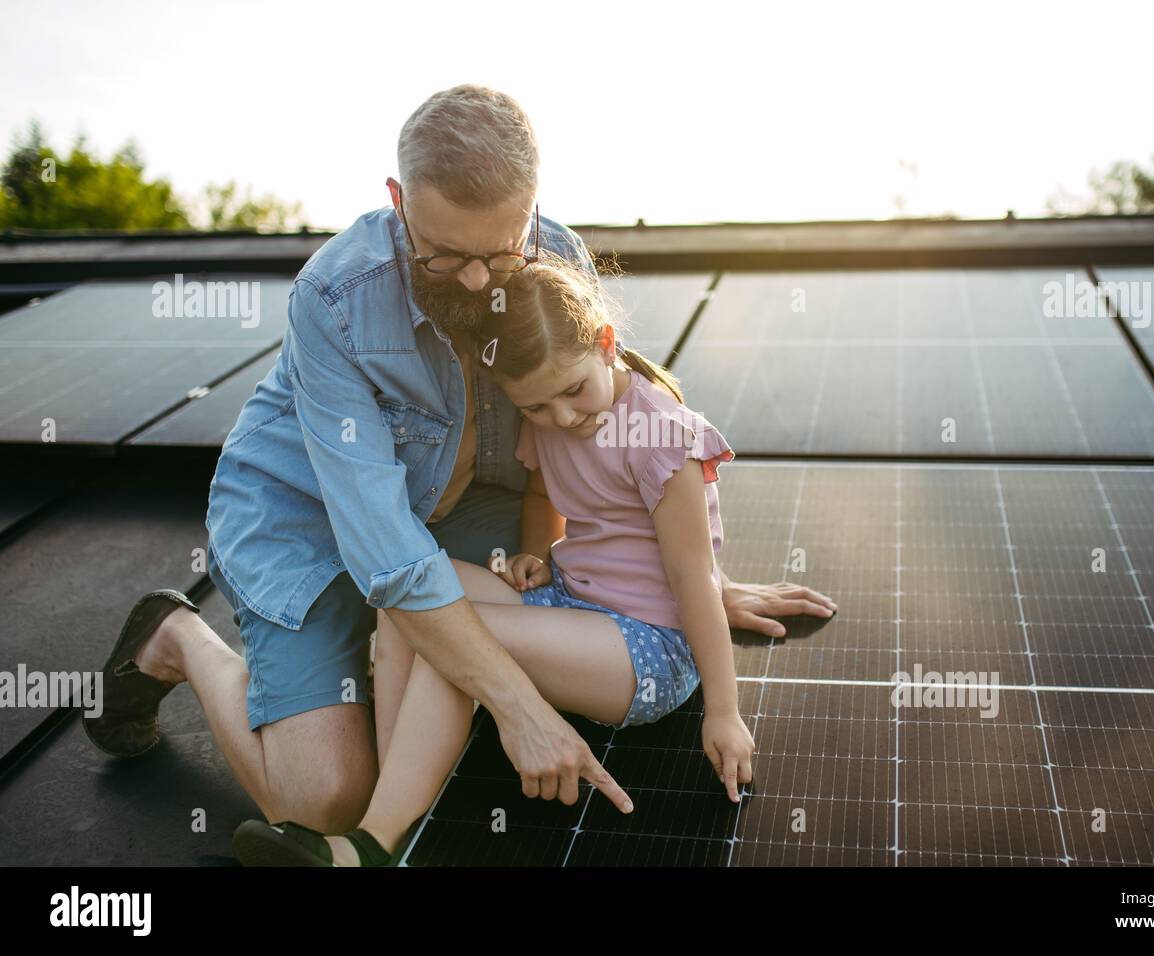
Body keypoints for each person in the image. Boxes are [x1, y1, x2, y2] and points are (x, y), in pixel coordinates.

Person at [83, 84, 838, 849]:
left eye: (500, 252)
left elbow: (608, 440)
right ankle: (178, 637)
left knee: (424, 703)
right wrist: (518, 707)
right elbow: (389, 552)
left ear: (533, 209)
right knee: (325, 801)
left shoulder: (557, 256)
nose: (478, 280)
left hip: (461, 506)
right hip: (304, 513)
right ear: (397, 200)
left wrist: (690, 582)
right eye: (444, 255)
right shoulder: (333, 297)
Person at [231, 252, 768, 865]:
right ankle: (396, 796)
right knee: (414, 595)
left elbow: (691, 574)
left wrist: (724, 712)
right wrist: (537, 553)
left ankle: (371, 847)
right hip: (570, 601)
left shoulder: (662, 437)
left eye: (573, 391)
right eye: (537, 407)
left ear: (606, 342)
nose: (563, 418)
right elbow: (543, 490)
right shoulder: (545, 415)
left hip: (649, 647)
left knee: (456, 632)